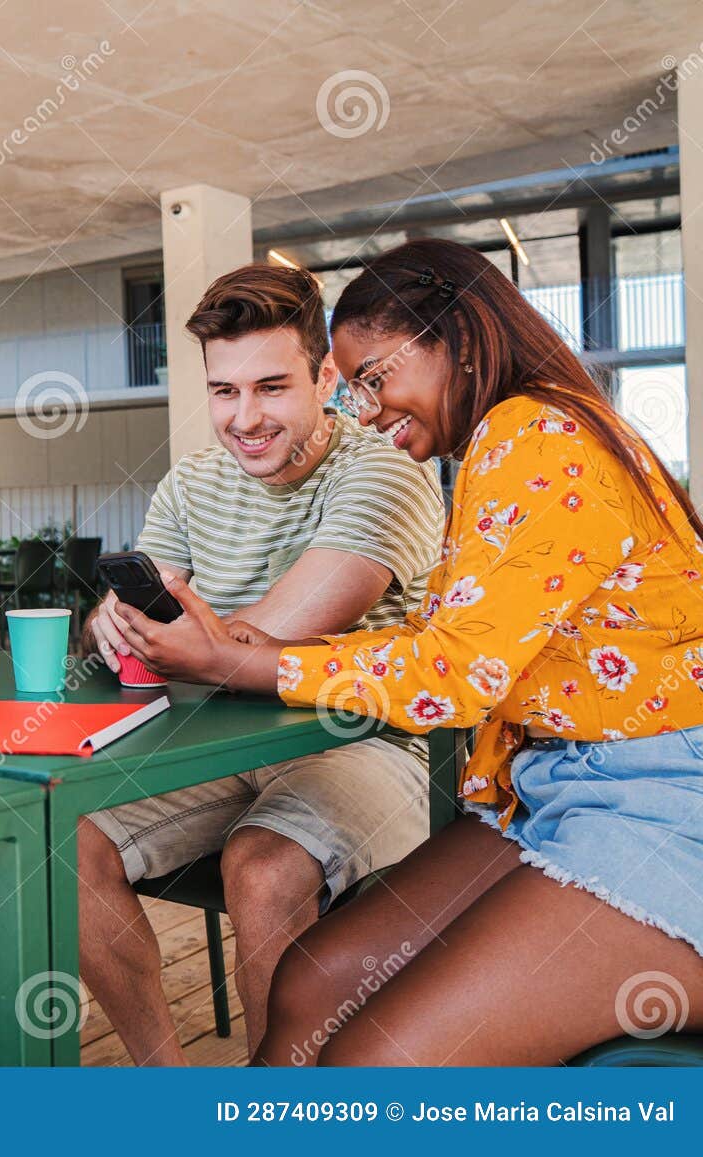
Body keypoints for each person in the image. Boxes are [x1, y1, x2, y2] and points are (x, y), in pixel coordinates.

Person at [116, 239, 703, 1065]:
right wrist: (255, 649)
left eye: (372, 378)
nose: (363, 409)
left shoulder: (532, 433)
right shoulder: (509, 438)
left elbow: (456, 674)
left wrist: (244, 661)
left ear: (452, 340)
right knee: (309, 982)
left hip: (660, 807)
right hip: (555, 786)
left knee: (373, 1060)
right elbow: (442, 642)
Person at [76, 264, 445, 1064]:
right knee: (61, 846)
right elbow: (147, 616)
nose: (245, 418)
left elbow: (249, 644)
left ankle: (275, 1104)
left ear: (325, 379)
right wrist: (114, 623)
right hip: (219, 744)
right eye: (224, 391)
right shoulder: (191, 482)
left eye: (271, 387)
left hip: (365, 743)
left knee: (263, 867)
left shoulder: (387, 469)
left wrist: (174, 640)